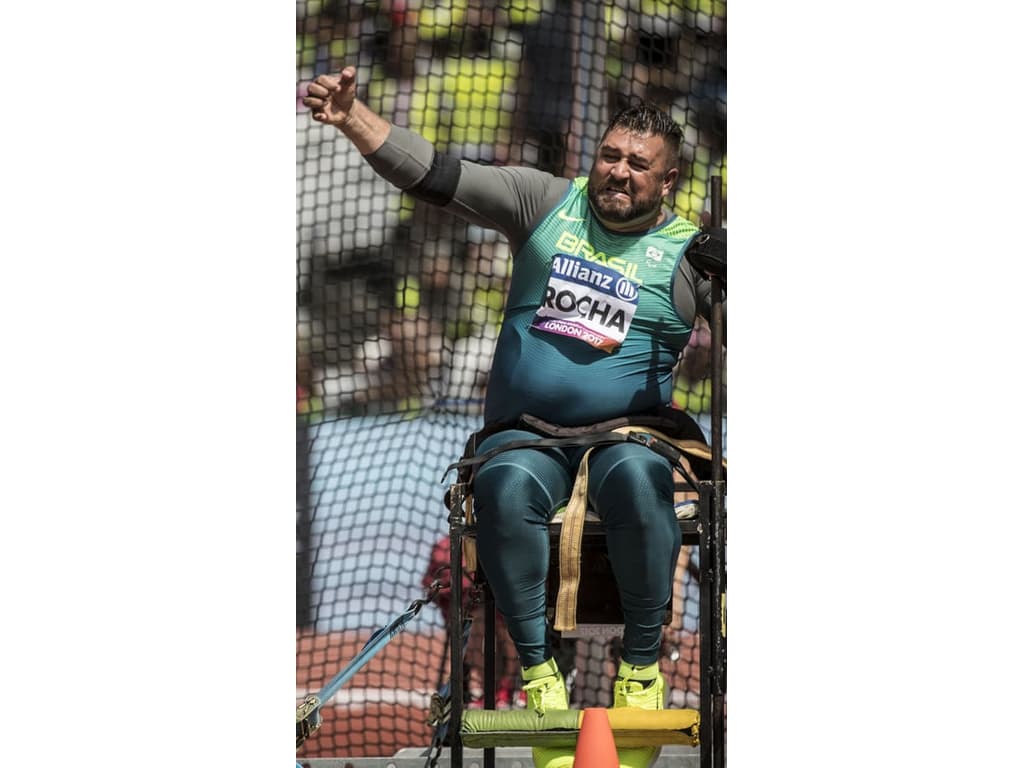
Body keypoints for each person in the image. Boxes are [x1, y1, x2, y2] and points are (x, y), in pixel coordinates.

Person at [303, 65, 724, 768]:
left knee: (638, 482)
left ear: (670, 180)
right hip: (524, 435)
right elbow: (438, 175)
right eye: (609, 155)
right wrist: (352, 119)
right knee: (501, 489)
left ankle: (640, 674)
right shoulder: (543, 201)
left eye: (637, 164)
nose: (617, 172)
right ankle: (539, 678)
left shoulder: (690, 252)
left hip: (629, 435)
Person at [423, 535, 524, 709]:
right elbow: (431, 585)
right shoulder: (446, 547)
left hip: (509, 610)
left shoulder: (507, 540)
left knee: (503, 621)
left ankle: (509, 686)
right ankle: (494, 689)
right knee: (478, 622)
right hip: (469, 612)